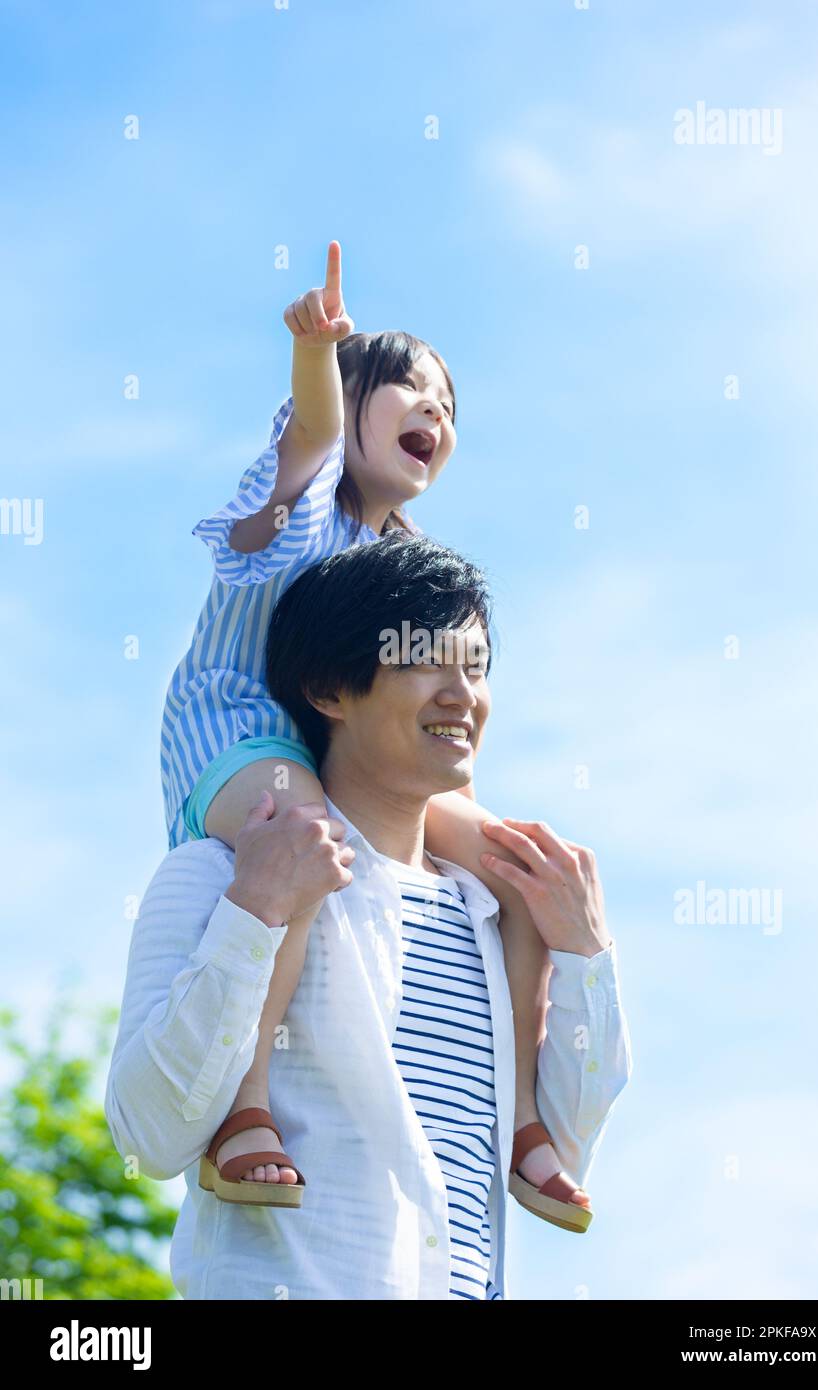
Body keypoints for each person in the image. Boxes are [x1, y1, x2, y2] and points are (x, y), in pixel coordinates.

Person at [157, 239, 604, 1221]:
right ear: (350, 398)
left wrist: (473, 828)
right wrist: (317, 351)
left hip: (339, 739)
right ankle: (243, 1107)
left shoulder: (406, 563)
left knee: (520, 865)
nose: (434, 410)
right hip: (240, 728)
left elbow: (441, 731)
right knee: (306, 834)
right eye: (406, 386)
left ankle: (522, 1122)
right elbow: (316, 426)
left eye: (447, 403)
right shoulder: (310, 497)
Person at [105, 532, 632, 1299]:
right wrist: (256, 913)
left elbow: (571, 1142)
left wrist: (586, 953)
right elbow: (150, 1135)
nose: (462, 694)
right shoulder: (217, 877)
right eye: (424, 660)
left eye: (476, 666)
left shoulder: (497, 919)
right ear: (328, 689)